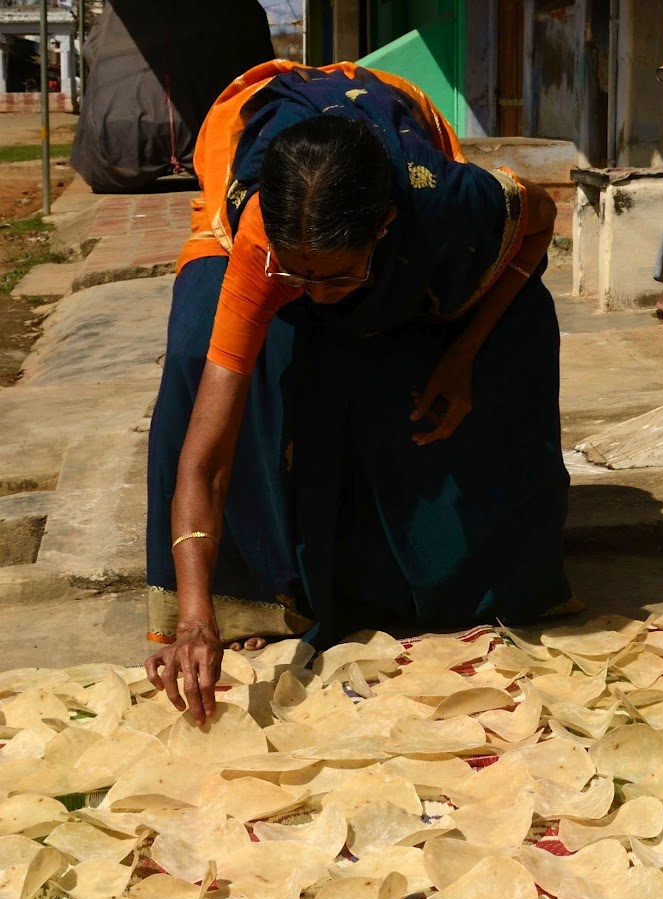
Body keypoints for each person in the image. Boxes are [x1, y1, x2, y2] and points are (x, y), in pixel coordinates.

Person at [143, 61, 573, 723]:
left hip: (396, 157)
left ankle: (464, 566)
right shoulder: (260, 241)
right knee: (202, 341)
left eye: (336, 278)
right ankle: (257, 594)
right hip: (256, 161)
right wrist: (197, 619)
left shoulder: (445, 200)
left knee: (514, 324)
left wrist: (461, 357)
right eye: (299, 278)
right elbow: (206, 460)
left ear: (385, 227)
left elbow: (539, 220)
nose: (315, 296)